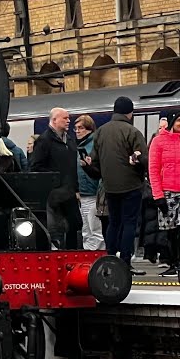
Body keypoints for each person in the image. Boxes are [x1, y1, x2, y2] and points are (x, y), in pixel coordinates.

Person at [87, 96, 149, 271]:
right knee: (129, 223)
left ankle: (110, 260)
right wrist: (138, 161)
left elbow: (94, 162)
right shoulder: (132, 132)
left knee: (114, 223)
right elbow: (144, 159)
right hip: (131, 186)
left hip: (110, 187)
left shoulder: (100, 132)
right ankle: (126, 262)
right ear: (130, 113)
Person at [30, 107, 82, 249]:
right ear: (54, 120)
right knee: (56, 228)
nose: (68, 121)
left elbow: (72, 169)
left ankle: (72, 254)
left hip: (69, 191)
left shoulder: (70, 141)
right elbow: (35, 166)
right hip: (53, 194)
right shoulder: (44, 141)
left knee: (76, 223)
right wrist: (55, 179)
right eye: (65, 118)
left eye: (68, 118)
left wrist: (75, 188)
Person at [149, 110, 180, 276]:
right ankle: (173, 262)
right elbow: (153, 169)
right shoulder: (158, 141)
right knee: (171, 231)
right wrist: (158, 195)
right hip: (168, 192)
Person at [74, 115, 103, 250]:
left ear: (90, 129)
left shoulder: (93, 146)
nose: (77, 131)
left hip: (93, 194)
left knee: (95, 228)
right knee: (86, 229)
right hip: (83, 195)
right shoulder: (80, 147)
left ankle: (97, 255)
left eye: (81, 128)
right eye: (76, 128)